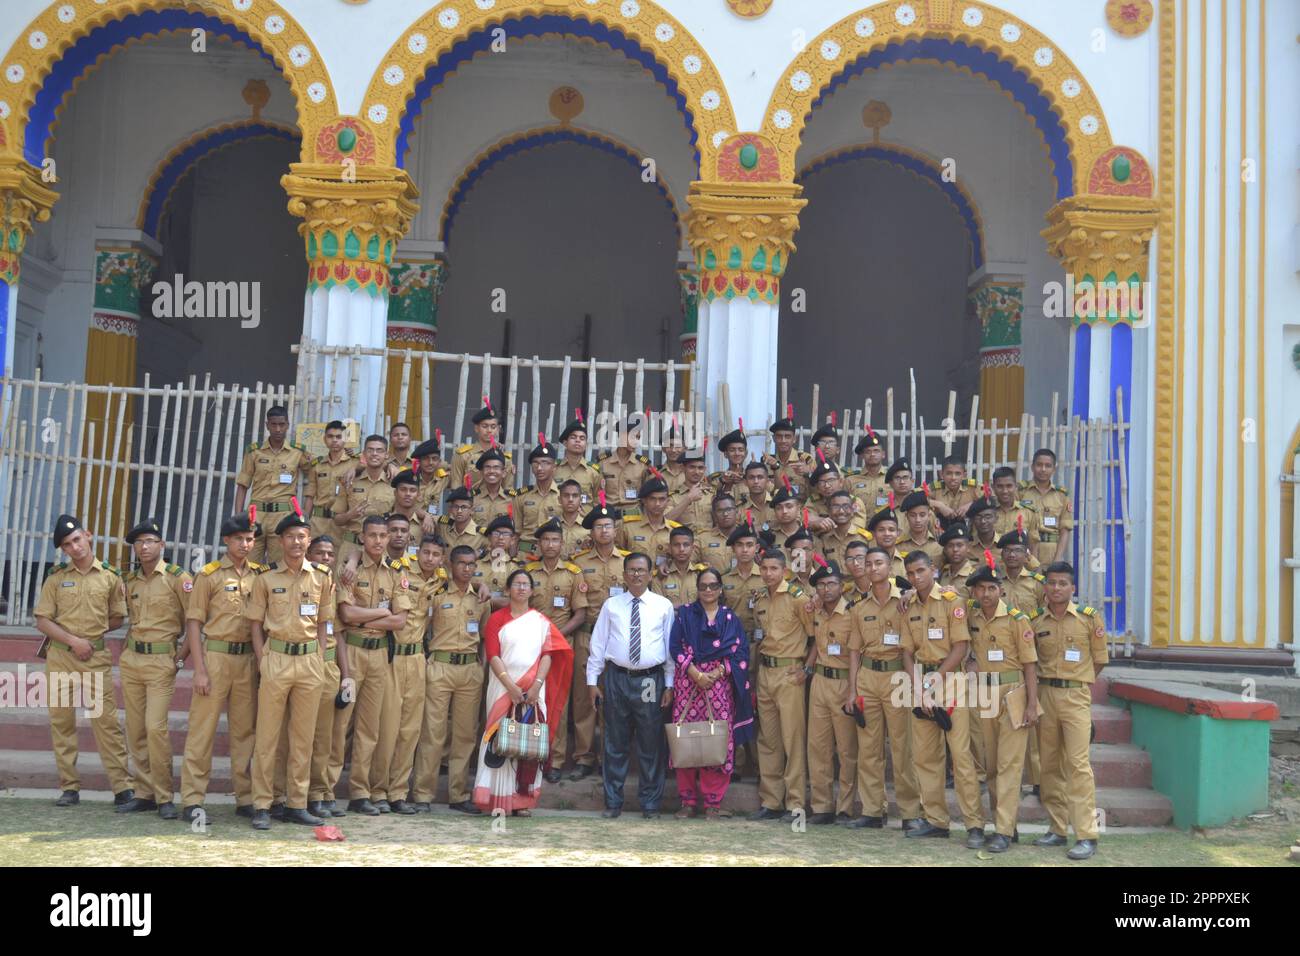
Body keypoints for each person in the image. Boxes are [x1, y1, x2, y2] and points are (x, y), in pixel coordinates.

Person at [34, 514, 134, 810]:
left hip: (94, 658)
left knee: (106, 723)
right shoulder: (56, 578)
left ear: (88, 536)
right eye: (67, 544)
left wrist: (91, 638)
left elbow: (118, 616)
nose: (74, 547)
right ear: (63, 550)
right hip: (61, 658)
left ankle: (123, 788)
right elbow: (42, 620)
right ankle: (69, 787)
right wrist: (74, 641)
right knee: (61, 722)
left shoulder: (110, 576)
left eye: (77, 539)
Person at [245, 510, 334, 829]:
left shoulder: (322, 577)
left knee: (303, 737)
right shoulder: (266, 578)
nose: (296, 542)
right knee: (268, 736)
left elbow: (324, 622)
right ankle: (263, 804)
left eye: (302, 536)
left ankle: (297, 803)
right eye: (290, 536)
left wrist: (320, 656)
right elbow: (255, 624)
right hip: (277, 658)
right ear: (281, 541)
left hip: (310, 661)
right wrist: (262, 659)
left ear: (309, 540)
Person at [180, 514, 264, 822]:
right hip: (215, 658)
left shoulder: (260, 575)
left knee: (245, 732)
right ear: (226, 541)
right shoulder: (209, 575)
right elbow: (194, 623)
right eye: (239, 538)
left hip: (247, 660)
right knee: (202, 730)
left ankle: (245, 798)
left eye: (250, 539)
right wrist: (199, 669)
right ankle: (192, 799)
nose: (246, 544)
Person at [900, 550, 984, 844]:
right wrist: (920, 688)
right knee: (925, 757)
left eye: (920, 571)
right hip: (920, 683)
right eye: (910, 573)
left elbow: (960, 648)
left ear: (933, 570)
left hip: (950, 682)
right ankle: (936, 820)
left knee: (960, 757)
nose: (915, 577)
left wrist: (932, 683)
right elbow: (907, 653)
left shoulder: (952, 602)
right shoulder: (908, 606)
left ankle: (974, 824)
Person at [475, 569, 574, 815]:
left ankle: (522, 801)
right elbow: (493, 654)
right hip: (502, 688)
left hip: (533, 691)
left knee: (528, 741)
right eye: (516, 584)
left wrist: (537, 684)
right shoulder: (497, 619)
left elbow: (548, 654)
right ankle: (497, 799)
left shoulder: (541, 621)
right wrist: (510, 685)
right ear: (508, 590)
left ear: (531, 590)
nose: (521, 588)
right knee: (499, 740)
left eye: (525, 584)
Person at [586, 552, 675, 819]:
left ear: (650, 574)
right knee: (615, 741)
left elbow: (669, 648)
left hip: (650, 678)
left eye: (641, 570)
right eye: (631, 570)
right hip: (617, 678)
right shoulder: (611, 606)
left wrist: (669, 684)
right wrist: (593, 681)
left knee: (651, 742)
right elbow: (598, 645)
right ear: (624, 575)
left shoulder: (663, 606)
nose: (636, 575)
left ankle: (650, 804)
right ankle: (613, 802)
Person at [116, 518, 191, 819]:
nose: (144, 547)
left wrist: (180, 660)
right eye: (139, 542)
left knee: (155, 728)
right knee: (135, 730)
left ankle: (164, 796)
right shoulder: (130, 580)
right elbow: (130, 621)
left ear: (162, 545)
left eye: (150, 541)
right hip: (133, 660)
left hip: (162, 662)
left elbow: (196, 622)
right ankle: (144, 793)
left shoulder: (178, 578)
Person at [336, 515, 411, 815]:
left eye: (383, 535)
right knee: (341, 725)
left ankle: (360, 793)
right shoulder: (348, 571)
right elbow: (346, 616)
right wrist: (380, 613)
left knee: (370, 729)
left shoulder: (396, 572)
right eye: (373, 535)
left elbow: (401, 620)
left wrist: (364, 613)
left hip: (380, 655)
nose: (379, 540)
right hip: (352, 654)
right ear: (363, 538)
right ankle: (324, 791)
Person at [845, 546, 923, 830]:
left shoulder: (906, 601)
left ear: (890, 567)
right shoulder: (859, 608)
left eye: (879, 563)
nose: (873, 568)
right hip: (868, 678)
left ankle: (910, 812)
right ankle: (872, 810)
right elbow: (854, 651)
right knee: (869, 749)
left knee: (903, 748)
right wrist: (852, 690)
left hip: (897, 677)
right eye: (869, 564)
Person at [1032, 562, 1106, 861]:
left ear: (1072, 588)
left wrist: (1079, 681)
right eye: (1051, 583)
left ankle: (1086, 834)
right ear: (1045, 587)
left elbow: (1099, 660)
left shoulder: (1089, 620)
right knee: (1048, 765)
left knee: (1077, 765)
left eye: (1063, 583)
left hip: (1076, 696)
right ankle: (1057, 827)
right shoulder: (1037, 622)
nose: (1056, 588)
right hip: (1045, 693)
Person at [965, 556, 1038, 853]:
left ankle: (1004, 831)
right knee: (993, 765)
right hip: (984, 695)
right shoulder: (971, 616)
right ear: (974, 592)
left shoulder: (1019, 620)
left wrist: (1033, 705)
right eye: (980, 588)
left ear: (1001, 590)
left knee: (1009, 765)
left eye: (991, 588)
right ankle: (1005, 823)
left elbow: (1030, 665)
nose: (986, 594)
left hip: (1013, 693)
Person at [668, 567, 754, 819]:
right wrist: (695, 673)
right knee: (686, 738)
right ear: (697, 588)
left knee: (716, 740)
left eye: (713, 586)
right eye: (703, 586)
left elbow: (740, 653)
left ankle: (713, 803)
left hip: (719, 686)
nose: (708, 590)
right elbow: (675, 646)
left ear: (720, 589)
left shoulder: (730, 618)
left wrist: (716, 674)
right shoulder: (685, 615)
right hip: (689, 683)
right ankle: (687, 801)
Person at [414, 545, 488, 813]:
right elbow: (422, 628)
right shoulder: (436, 594)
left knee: (465, 735)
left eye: (471, 564)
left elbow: (483, 634)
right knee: (433, 734)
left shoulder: (480, 598)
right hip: (440, 667)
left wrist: (481, 665)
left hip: (469, 670)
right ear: (450, 564)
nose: (467, 569)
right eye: (462, 563)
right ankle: (423, 794)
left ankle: (458, 795)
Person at [568, 496, 629, 780]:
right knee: (584, 698)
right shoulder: (579, 563)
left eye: (608, 526)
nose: (604, 531)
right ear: (591, 532)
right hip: (588, 635)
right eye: (598, 527)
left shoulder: (628, 562)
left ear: (616, 530)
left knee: (613, 698)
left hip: (618, 639)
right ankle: (583, 757)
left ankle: (609, 757)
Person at [524, 518, 589, 783]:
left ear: (562, 544)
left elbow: (581, 614)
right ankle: (530, 755)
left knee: (558, 703)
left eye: (555, 540)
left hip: (562, 647)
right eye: (545, 540)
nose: (550, 545)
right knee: (532, 700)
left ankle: (556, 760)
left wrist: (556, 636)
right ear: (538, 544)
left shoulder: (574, 573)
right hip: (532, 647)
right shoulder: (528, 572)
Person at [749, 549, 811, 822]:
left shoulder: (798, 599)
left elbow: (816, 637)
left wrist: (806, 669)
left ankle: (795, 803)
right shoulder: (760, 599)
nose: (768, 573)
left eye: (774, 568)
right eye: (764, 568)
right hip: (765, 672)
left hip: (789, 672)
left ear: (784, 571)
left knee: (792, 740)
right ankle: (771, 801)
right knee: (768, 740)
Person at [804, 559, 858, 824]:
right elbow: (816, 642)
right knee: (818, 747)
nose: (826, 589)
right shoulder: (817, 611)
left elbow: (857, 653)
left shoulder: (852, 612)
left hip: (844, 682)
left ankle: (845, 808)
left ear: (841, 586)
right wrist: (807, 667)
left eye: (832, 584)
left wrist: (854, 690)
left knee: (847, 750)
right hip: (820, 682)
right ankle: (822, 806)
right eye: (822, 585)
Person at [233, 405, 311, 565]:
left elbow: (318, 472)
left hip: (283, 516)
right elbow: (242, 486)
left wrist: (305, 510)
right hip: (256, 516)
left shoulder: (297, 452)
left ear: (287, 425)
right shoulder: (254, 452)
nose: (278, 429)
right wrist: (238, 517)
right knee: (248, 563)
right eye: (273, 424)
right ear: (267, 425)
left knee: (279, 565)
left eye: (281, 425)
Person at [334, 435, 396, 562]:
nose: (374, 454)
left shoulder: (394, 484)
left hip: (380, 548)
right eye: (370, 450)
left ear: (386, 455)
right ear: (364, 454)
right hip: (351, 544)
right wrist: (349, 515)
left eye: (379, 450)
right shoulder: (349, 481)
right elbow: (337, 519)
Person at [303, 420, 358, 543]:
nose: (334, 440)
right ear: (324, 439)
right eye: (330, 436)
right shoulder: (317, 465)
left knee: (337, 559)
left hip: (341, 523)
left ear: (345, 439)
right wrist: (305, 521)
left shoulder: (354, 464)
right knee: (314, 558)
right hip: (318, 522)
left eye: (339, 437)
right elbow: (310, 496)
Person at [1020, 449, 1073, 565]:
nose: (1043, 469)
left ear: (1053, 469)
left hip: (1051, 552)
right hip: (1026, 551)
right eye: (1039, 465)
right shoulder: (1021, 492)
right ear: (1032, 467)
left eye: (1048, 466)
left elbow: (1065, 530)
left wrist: (1058, 557)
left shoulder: (1061, 495)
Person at [450, 404, 515, 491]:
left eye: (493, 427)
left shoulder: (505, 458)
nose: (489, 430)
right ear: (476, 428)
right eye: (484, 426)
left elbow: (508, 491)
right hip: (470, 502)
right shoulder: (463, 456)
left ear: (498, 429)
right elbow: (455, 488)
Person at [762, 413, 814, 501]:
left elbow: (816, 489)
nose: (783, 441)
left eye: (787, 436)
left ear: (794, 439)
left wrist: (808, 473)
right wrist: (775, 467)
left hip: (800, 509)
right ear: (774, 439)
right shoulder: (767, 461)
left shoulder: (806, 459)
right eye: (779, 436)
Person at [653, 526, 708, 607]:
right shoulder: (660, 576)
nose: (681, 549)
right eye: (676, 545)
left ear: (692, 548)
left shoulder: (701, 574)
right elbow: (658, 608)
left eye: (686, 545)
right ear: (670, 548)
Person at [554, 415, 601, 506]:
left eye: (582, 438)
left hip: (585, 519)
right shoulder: (554, 469)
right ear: (565, 442)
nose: (578, 441)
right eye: (573, 437)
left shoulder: (594, 472)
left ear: (586, 444)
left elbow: (598, 501)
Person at [930, 455, 980, 529]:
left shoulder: (973, 487)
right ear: (941, 474)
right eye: (949, 473)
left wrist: (971, 505)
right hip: (940, 529)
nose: (953, 478)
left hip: (969, 530)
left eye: (957, 474)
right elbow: (913, 498)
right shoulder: (935, 488)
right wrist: (939, 505)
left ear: (964, 475)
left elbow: (992, 498)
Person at [845, 429, 888, 514]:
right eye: (868, 451)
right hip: (858, 525)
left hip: (884, 526)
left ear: (883, 454)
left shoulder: (892, 479)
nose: (872, 454)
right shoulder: (850, 481)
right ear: (862, 456)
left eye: (876, 451)